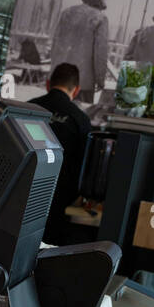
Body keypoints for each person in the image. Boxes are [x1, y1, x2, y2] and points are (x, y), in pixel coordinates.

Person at [28, 62, 92, 244]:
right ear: (76, 90)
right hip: (57, 202)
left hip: (21, 193)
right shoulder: (81, 120)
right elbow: (82, 167)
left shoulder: (27, 108)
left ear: (48, 84)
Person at [49, 0, 109, 103]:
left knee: (54, 111)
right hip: (82, 82)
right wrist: (100, 79)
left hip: (59, 78)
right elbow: (100, 53)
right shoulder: (100, 18)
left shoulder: (67, 13)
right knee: (78, 113)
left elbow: (55, 44)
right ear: (101, 1)